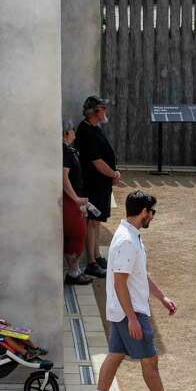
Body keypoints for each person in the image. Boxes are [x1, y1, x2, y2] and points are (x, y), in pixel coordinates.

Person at [86, 191, 196, 391]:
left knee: (114, 356)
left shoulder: (129, 234)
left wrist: (161, 297)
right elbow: (120, 282)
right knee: (151, 361)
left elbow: (140, 274)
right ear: (143, 212)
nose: (153, 217)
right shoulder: (127, 241)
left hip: (122, 311)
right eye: (152, 212)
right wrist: (133, 318)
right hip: (130, 312)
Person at [76, 96, 121, 277]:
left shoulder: (95, 128)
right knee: (92, 221)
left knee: (96, 221)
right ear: (95, 111)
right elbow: (96, 161)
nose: (105, 111)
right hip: (92, 184)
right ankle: (91, 262)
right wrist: (114, 174)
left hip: (100, 184)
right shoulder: (86, 130)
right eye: (103, 108)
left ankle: (96, 255)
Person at [62, 119, 93, 285]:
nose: (74, 132)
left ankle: (74, 271)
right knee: (78, 235)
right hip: (70, 200)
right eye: (72, 130)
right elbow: (64, 176)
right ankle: (74, 272)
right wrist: (75, 198)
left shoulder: (69, 150)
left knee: (74, 236)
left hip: (73, 198)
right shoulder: (66, 151)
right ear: (67, 133)